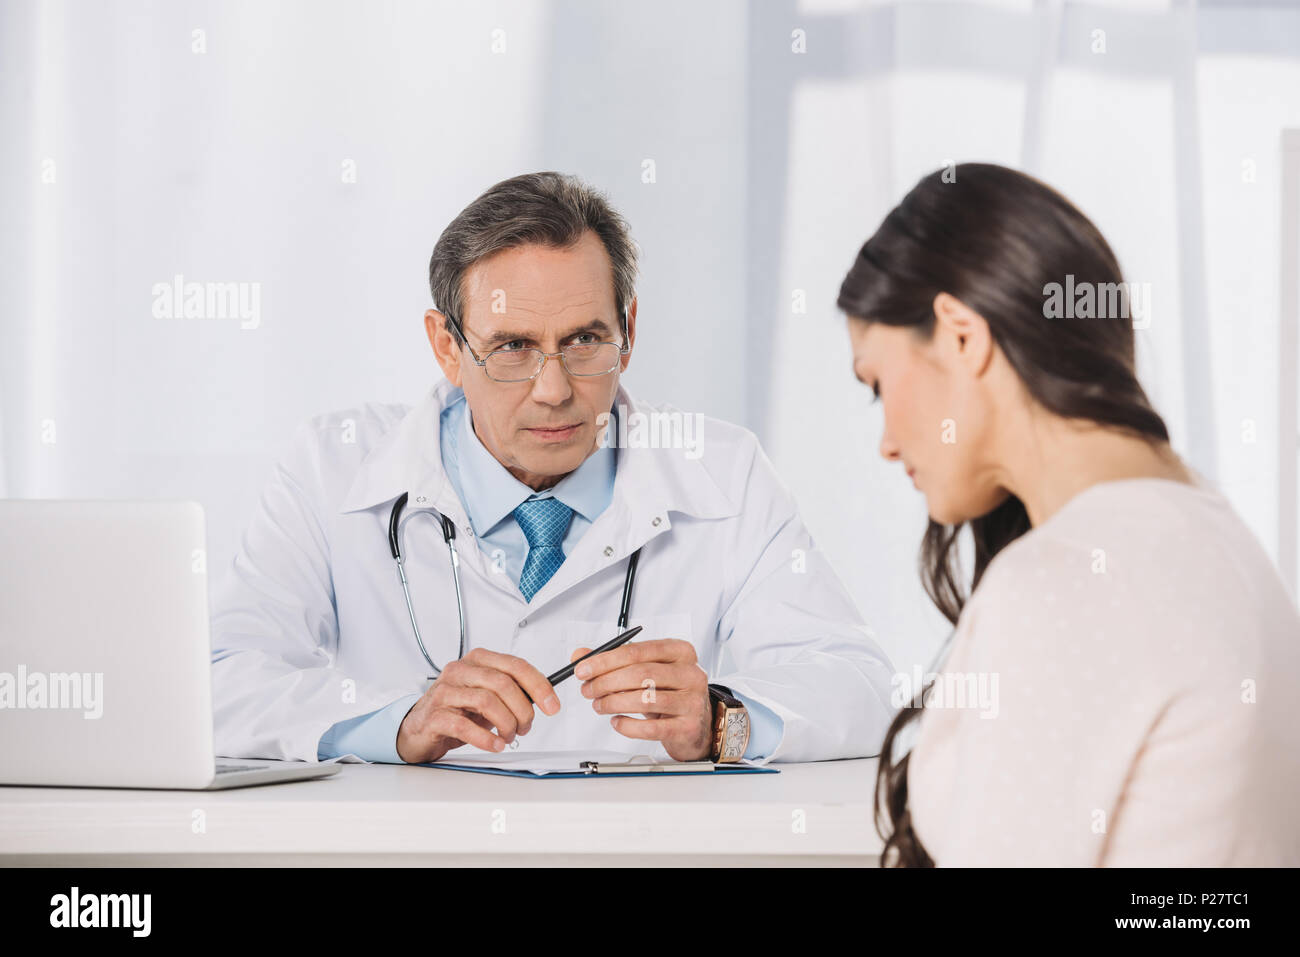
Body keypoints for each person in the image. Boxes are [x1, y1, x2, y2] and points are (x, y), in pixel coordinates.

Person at [211, 171, 895, 768]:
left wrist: (721, 720)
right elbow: (220, 683)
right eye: (512, 346)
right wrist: (398, 723)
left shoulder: (723, 470)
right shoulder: (332, 467)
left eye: (585, 340)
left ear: (628, 330)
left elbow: (860, 686)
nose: (554, 389)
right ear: (446, 347)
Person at [838, 162, 1300, 866]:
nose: (886, 442)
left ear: (961, 335)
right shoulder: (1223, 540)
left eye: (876, 383)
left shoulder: (1063, 583)